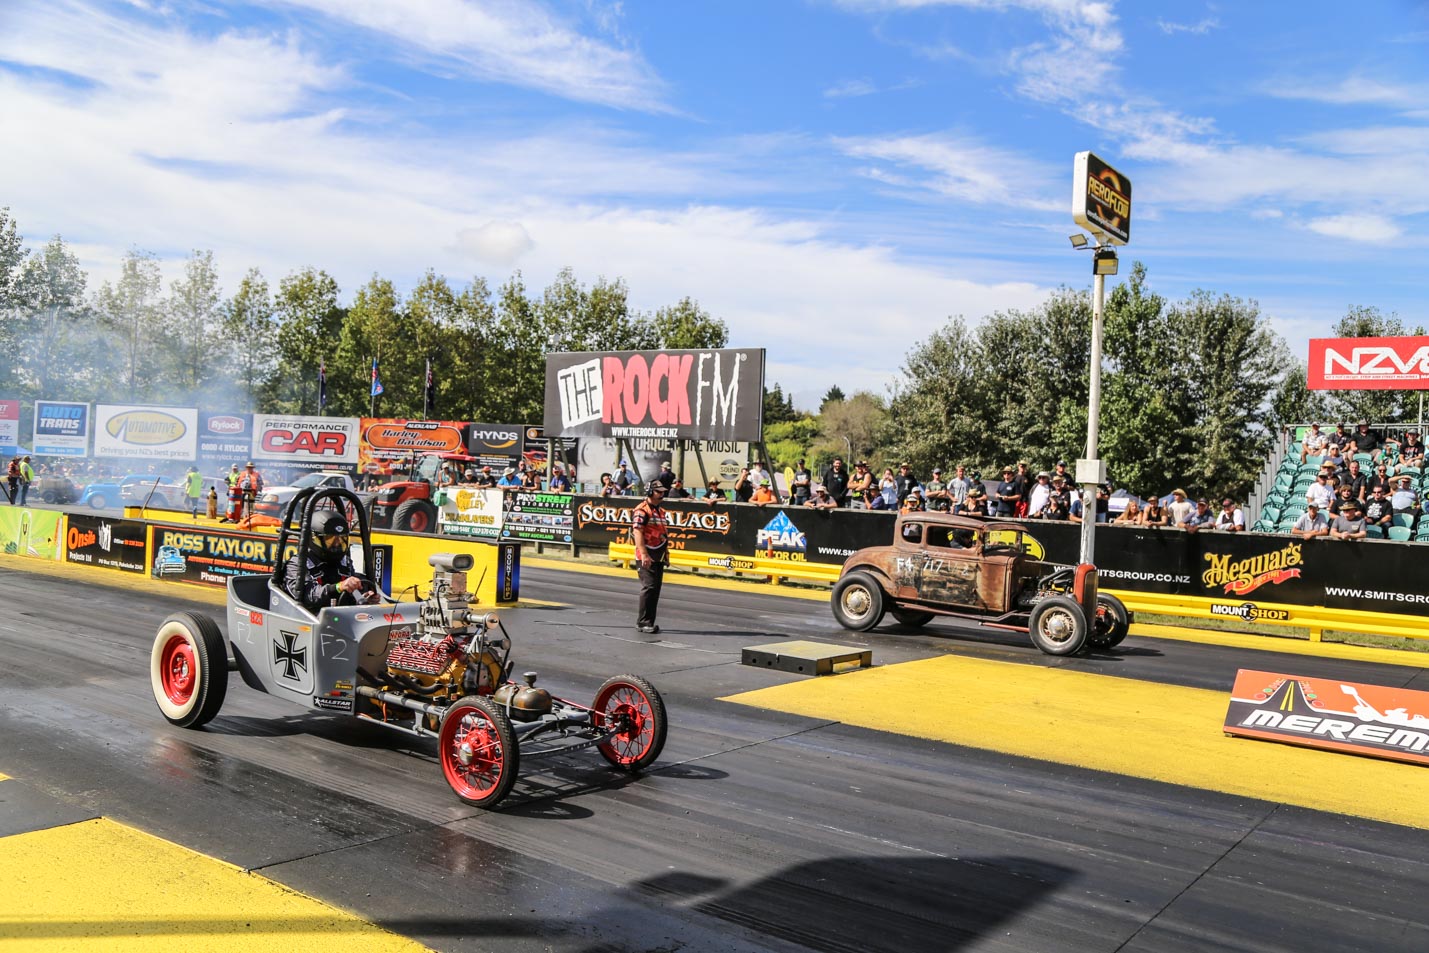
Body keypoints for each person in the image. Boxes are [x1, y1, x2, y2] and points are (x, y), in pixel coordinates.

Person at [283, 512, 378, 614]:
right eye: (330, 539)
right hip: (308, 619)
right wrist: (338, 587)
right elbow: (307, 596)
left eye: (341, 538)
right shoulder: (297, 564)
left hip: (340, 618)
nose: (337, 543)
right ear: (314, 539)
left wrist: (364, 597)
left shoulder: (345, 562)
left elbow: (350, 594)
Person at [631, 483, 669, 634]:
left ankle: (649, 622)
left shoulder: (661, 511)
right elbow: (637, 532)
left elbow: (663, 533)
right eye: (658, 492)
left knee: (655, 589)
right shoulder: (641, 510)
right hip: (646, 555)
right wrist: (644, 554)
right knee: (649, 587)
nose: (662, 494)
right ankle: (643, 622)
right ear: (650, 492)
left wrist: (666, 554)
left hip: (658, 554)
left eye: (663, 491)